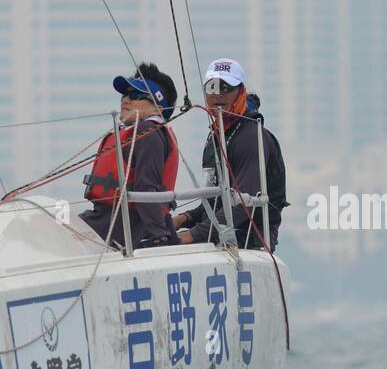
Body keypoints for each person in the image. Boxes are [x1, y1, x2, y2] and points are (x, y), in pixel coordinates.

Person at [174, 58, 288, 250]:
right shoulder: (217, 135)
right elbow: (215, 200)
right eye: (212, 87)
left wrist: (192, 235)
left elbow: (242, 203)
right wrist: (183, 219)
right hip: (217, 234)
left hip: (249, 243)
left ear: (240, 92)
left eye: (226, 87)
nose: (218, 94)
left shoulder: (251, 136)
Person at [78, 61, 181, 250]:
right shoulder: (136, 131)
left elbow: (146, 189)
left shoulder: (147, 132)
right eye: (124, 94)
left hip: (120, 230)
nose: (125, 100)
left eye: (135, 95)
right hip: (105, 220)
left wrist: (160, 238)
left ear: (158, 106)